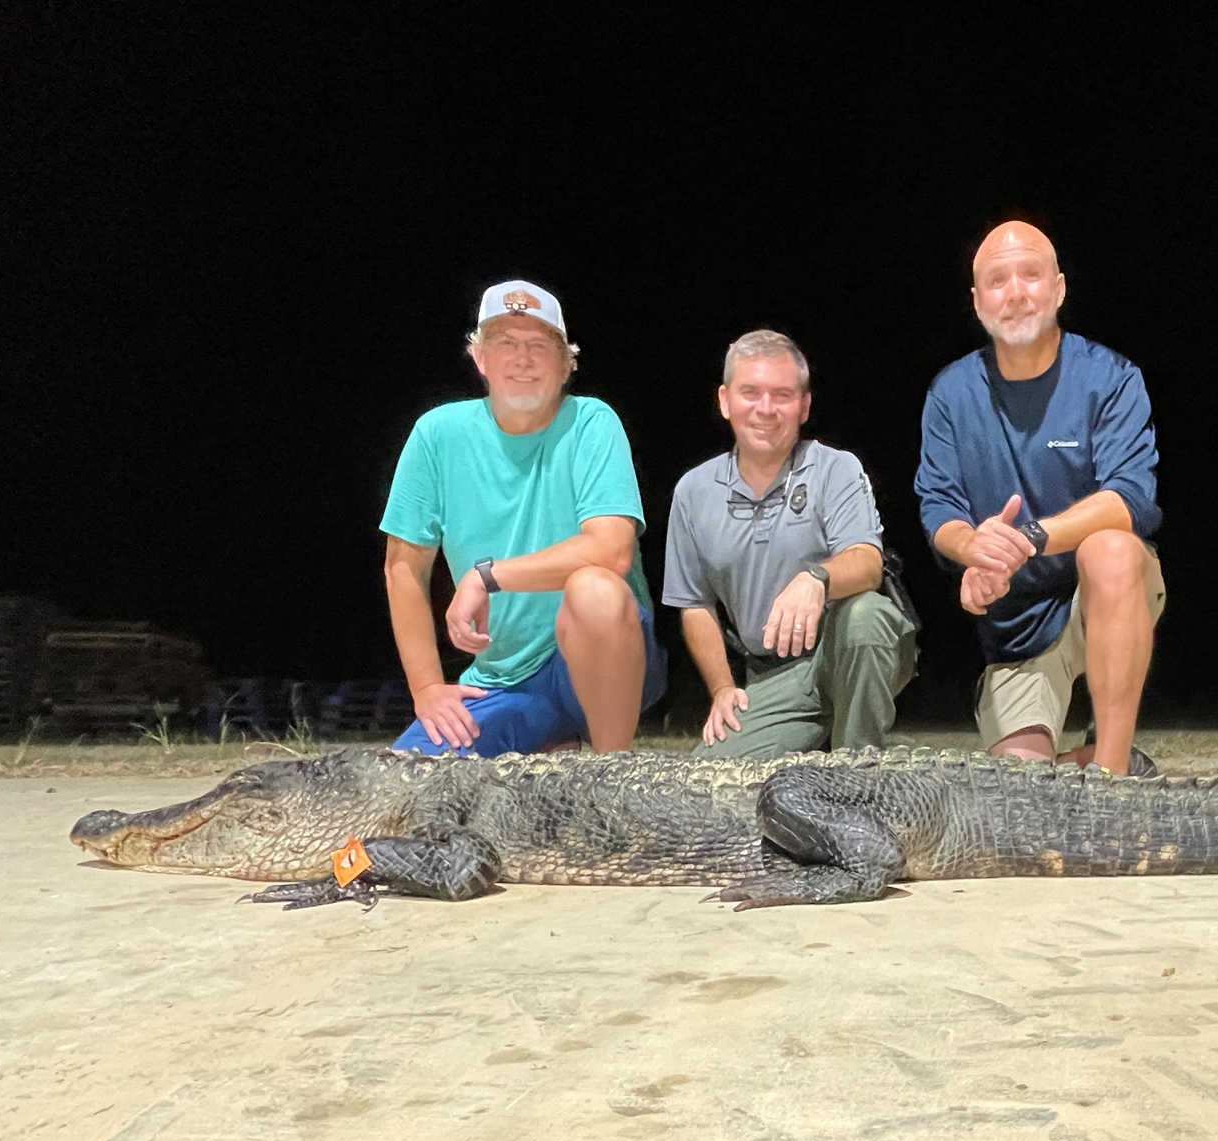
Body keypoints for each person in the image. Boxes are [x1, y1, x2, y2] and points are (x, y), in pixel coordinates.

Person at [914, 221, 1165, 775]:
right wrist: (976, 550)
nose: (1017, 292)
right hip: (1019, 623)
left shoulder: (1112, 378)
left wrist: (1027, 539)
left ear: (1059, 288)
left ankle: (1112, 780)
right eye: (998, 280)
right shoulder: (951, 393)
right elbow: (939, 511)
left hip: (1103, 594)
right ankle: (1093, 759)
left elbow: (1132, 500)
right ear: (978, 301)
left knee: (1113, 550)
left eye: (1032, 274)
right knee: (1022, 784)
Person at [380, 280, 666, 756]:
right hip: (504, 677)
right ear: (480, 358)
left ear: (566, 363)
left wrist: (486, 576)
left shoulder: (591, 421)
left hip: (607, 662)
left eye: (539, 345)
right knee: (405, 773)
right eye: (505, 343)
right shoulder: (436, 434)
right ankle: (552, 737)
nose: (523, 359)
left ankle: (611, 768)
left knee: (593, 587)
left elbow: (611, 549)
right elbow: (403, 566)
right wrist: (428, 687)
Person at [665, 329, 917, 756]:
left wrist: (815, 579)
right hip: (772, 675)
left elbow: (868, 563)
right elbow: (694, 603)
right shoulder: (693, 491)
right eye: (751, 393)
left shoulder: (835, 468)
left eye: (782, 395)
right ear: (725, 401)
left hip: (845, 651)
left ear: (803, 406)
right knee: (708, 776)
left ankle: (858, 770)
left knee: (867, 614)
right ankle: (814, 738)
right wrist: (723, 687)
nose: (765, 409)